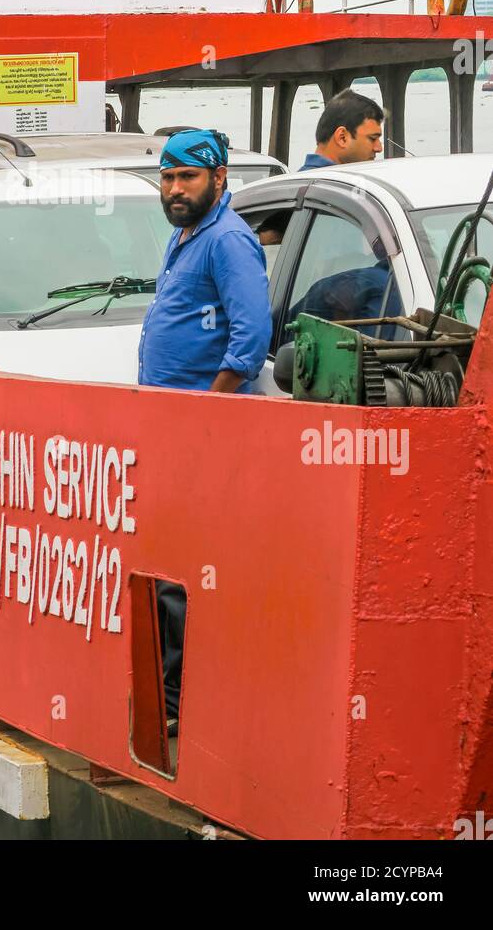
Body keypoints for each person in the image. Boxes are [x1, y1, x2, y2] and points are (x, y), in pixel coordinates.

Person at [138, 129, 272, 728]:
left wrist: (207, 409)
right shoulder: (186, 235)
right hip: (172, 429)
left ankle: (178, 706)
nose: (175, 189)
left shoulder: (227, 240)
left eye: (187, 177)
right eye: (168, 178)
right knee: (168, 561)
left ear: (219, 178)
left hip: (204, 435)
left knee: (184, 567)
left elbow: (251, 339)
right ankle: (169, 696)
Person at [299, 89, 384, 171]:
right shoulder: (325, 180)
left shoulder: (304, 177)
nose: (379, 148)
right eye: (373, 138)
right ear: (342, 137)